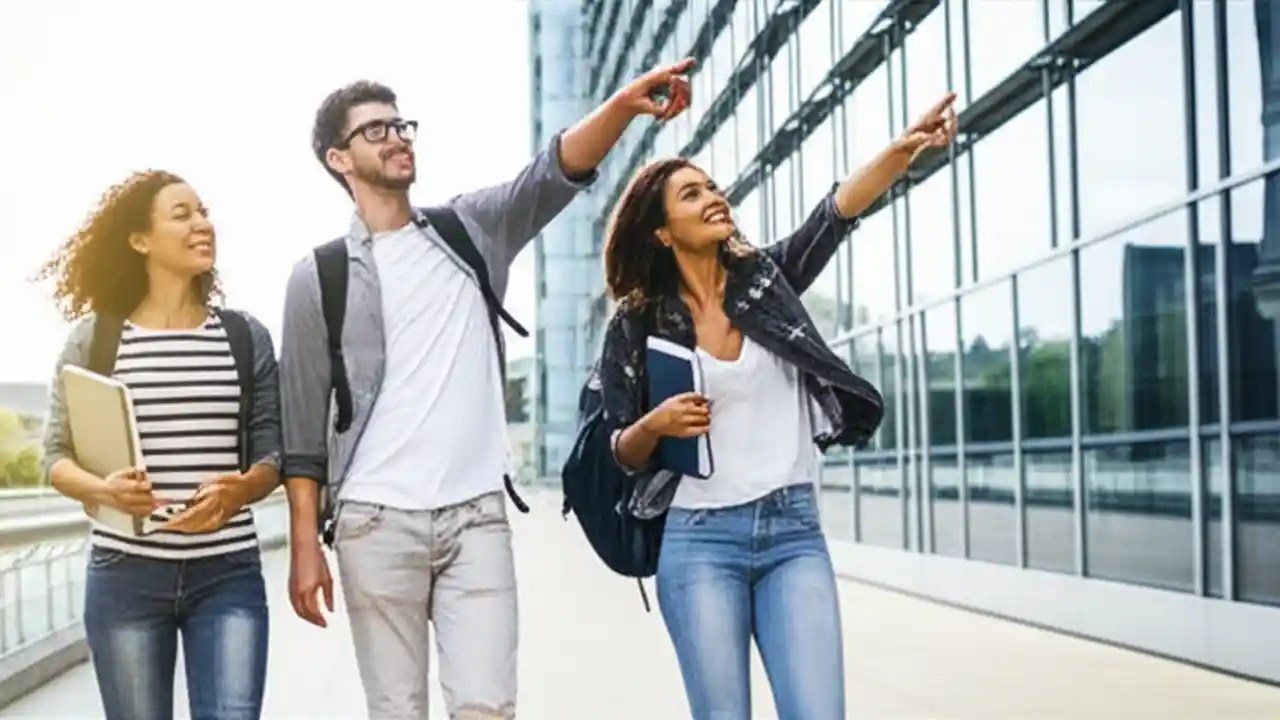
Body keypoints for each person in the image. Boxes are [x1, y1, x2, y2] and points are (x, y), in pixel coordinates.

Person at [278, 60, 694, 719]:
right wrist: (306, 546)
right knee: (397, 710)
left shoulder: (470, 230)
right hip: (374, 525)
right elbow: (299, 431)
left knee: (489, 708)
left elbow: (552, 172)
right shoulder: (318, 277)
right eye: (375, 130)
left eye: (401, 124)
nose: (396, 137)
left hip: (476, 519)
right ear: (339, 158)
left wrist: (622, 105)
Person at [595, 93, 959, 719]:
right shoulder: (637, 323)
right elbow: (619, 449)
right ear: (661, 232)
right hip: (701, 540)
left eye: (712, 187)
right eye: (691, 195)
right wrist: (655, 425)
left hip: (794, 532)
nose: (714, 198)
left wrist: (902, 150)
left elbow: (834, 214)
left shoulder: (766, 280)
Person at [37, 170, 282, 720]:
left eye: (205, 212)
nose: (203, 224)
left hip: (228, 574)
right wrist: (104, 490)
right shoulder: (95, 339)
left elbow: (272, 454)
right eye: (183, 214)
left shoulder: (244, 337)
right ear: (140, 240)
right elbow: (54, 457)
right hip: (125, 576)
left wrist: (241, 488)